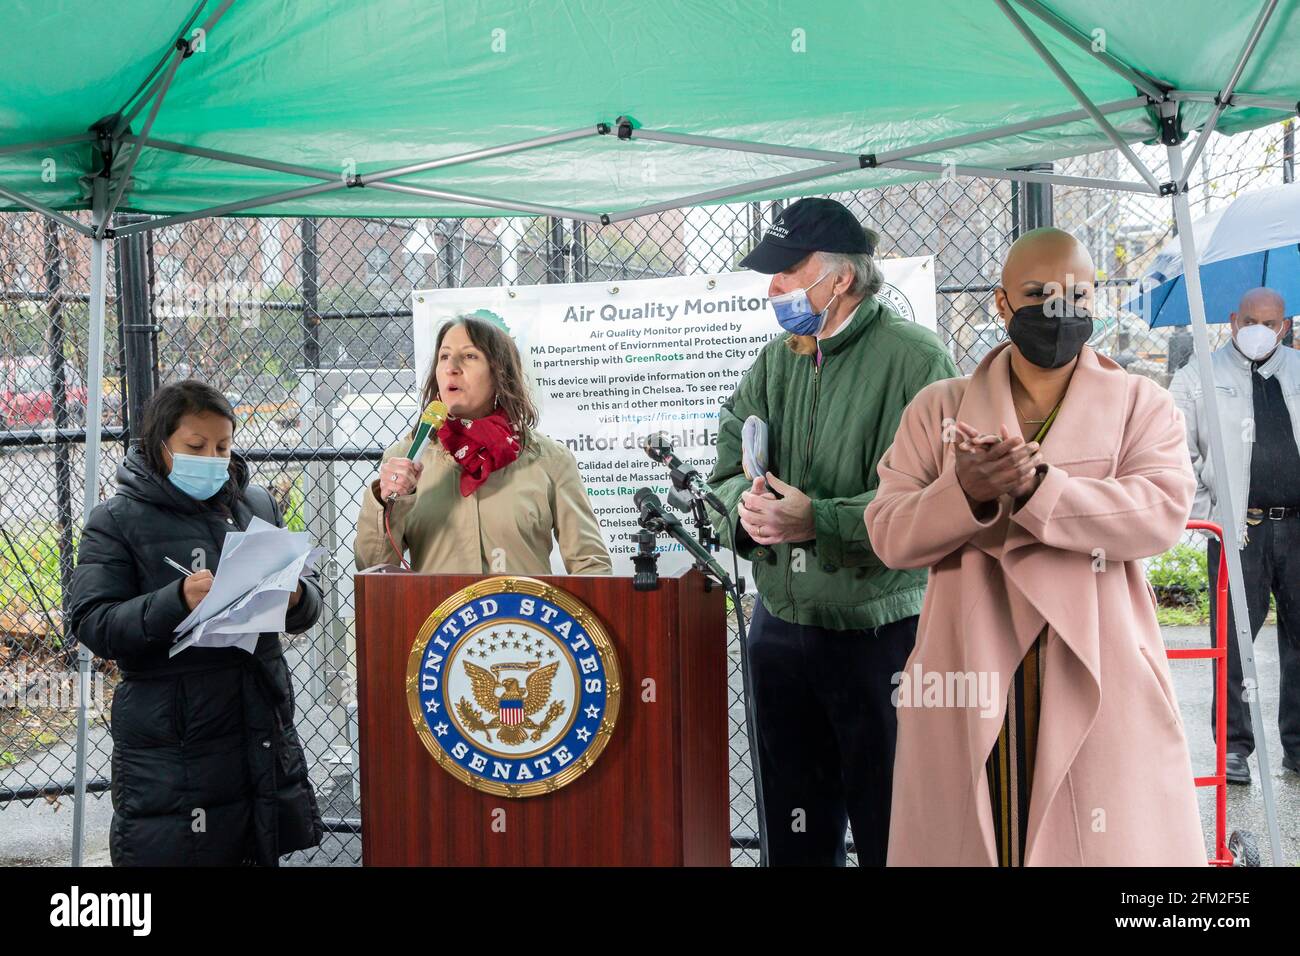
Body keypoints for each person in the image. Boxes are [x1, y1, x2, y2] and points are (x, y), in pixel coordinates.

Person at [866, 227, 1205, 866]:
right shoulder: (937, 409)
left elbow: (1159, 514)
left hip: (1096, 659)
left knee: (1101, 842)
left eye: (1078, 293)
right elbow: (887, 532)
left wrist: (1039, 489)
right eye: (1038, 292)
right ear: (1000, 304)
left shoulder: (1142, 404)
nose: (1059, 308)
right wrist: (960, 492)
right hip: (970, 663)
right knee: (980, 831)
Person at [706, 197, 958, 866]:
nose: (774, 288)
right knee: (794, 834)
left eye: (787, 272)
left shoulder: (915, 359)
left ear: (840, 278)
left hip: (879, 634)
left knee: (893, 828)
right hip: (782, 628)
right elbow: (726, 468)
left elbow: (929, 504)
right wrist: (748, 514)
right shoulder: (776, 360)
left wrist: (814, 520)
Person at [68, 380, 325, 866]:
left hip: (255, 725)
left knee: (253, 845)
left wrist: (294, 597)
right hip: (176, 740)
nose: (212, 457)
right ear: (160, 445)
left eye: (223, 446)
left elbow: (308, 608)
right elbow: (93, 621)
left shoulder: (255, 505)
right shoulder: (116, 520)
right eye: (195, 446)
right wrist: (177, 600)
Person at [354, 315, 611, 575]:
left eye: (469, 356)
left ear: (499, 372)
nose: (451, 368)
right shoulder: (405, 457)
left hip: (523, 615)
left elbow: (591, 566)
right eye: (444, 357)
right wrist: (386, 501)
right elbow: (373, 568)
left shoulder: (549, 458)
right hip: (438, 615)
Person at [1169, 287, 1300, 784]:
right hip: (1239, 530)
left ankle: (1298, 745)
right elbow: (1179, 454)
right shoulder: (1198, 376)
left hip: (1297, 527)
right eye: (1250, 321)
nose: (1260, 330)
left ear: (1285, 325)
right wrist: (1214, 512)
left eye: (1271, 322)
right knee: (1231, 639)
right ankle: (1234, 748)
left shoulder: (1297, 370)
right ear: (1232, 321)